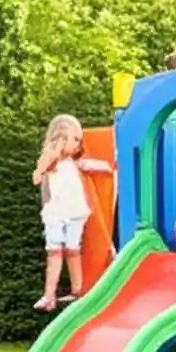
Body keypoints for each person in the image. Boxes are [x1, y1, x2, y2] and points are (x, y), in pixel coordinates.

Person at [31, 114, 112, 312]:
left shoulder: (75, 164)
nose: (78, 144)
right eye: (74, 139)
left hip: (75, 213)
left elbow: (100, 166)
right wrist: (53, 151)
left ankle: (78, 289)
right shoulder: (53, 162)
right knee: (55, 252)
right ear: (61, 138)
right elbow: (37, 176)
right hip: (56, 214)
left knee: (73, 250)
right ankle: (49, 295)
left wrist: (107, 167)